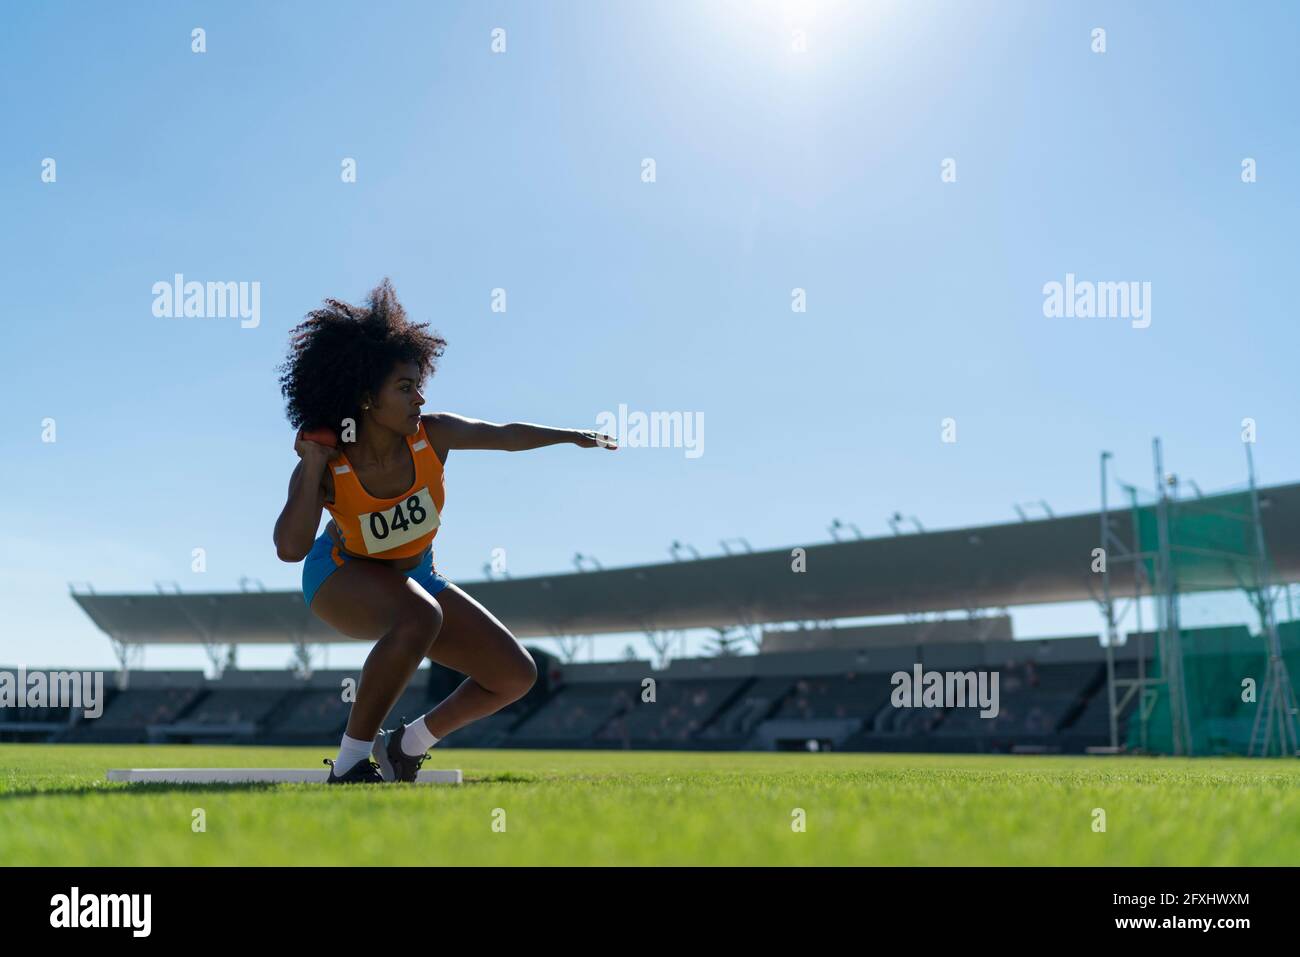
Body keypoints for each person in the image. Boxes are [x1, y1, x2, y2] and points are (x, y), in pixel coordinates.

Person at [273, 279, 616, 783]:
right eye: (405, 387)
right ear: (367, 398)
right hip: (342, 576)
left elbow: (503, 436)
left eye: (419, 384)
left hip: (419, 579)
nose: (420, 397)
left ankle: (406, 746)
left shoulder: (432, 435)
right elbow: (289, 548)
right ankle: (348, 765)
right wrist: (311, 465)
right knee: (419, 614)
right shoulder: (331, 463)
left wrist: (569, 435)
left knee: (514, 675)